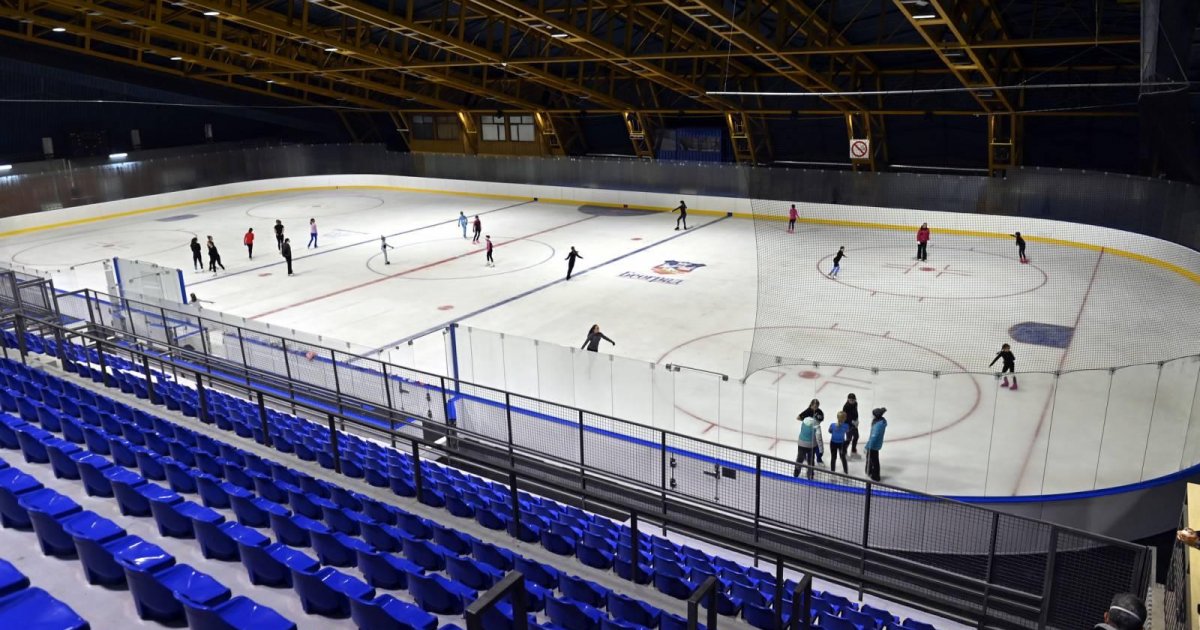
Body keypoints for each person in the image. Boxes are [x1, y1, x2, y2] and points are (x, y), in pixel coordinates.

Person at [792, 399, 824, 479]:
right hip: (808, 443)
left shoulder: (816, 418)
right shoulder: (808, 416)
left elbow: (821, 419)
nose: (815, 407)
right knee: (802, 458)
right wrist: (820, 447)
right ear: (811, 405)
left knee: (808, 459)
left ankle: (809, 473)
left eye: (817, 406)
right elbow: (798, 417)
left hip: (806, 442)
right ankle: (799, 472)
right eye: (814, 405)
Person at [865, 407, 888, 482]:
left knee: (874, 460)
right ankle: (869, 471)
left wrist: (867, 446)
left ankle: (875, 475)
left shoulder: (878, 425)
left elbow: (873, 437)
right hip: (876, 444)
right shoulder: (880, 422)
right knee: (872, 458)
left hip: (873, 445)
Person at [843, 393, 861, 460]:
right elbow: (845, 417)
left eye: (853, 400)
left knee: (856, 436)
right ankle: (844, 453)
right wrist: (852, 422)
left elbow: (856, 412)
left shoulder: (855, 403)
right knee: (848, 439)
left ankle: (853, 451)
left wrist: (856, 420)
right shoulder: (846, 407)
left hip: (854, 424)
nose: (852, 401)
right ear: (848, 399)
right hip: (848, 425)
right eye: (850, 400)